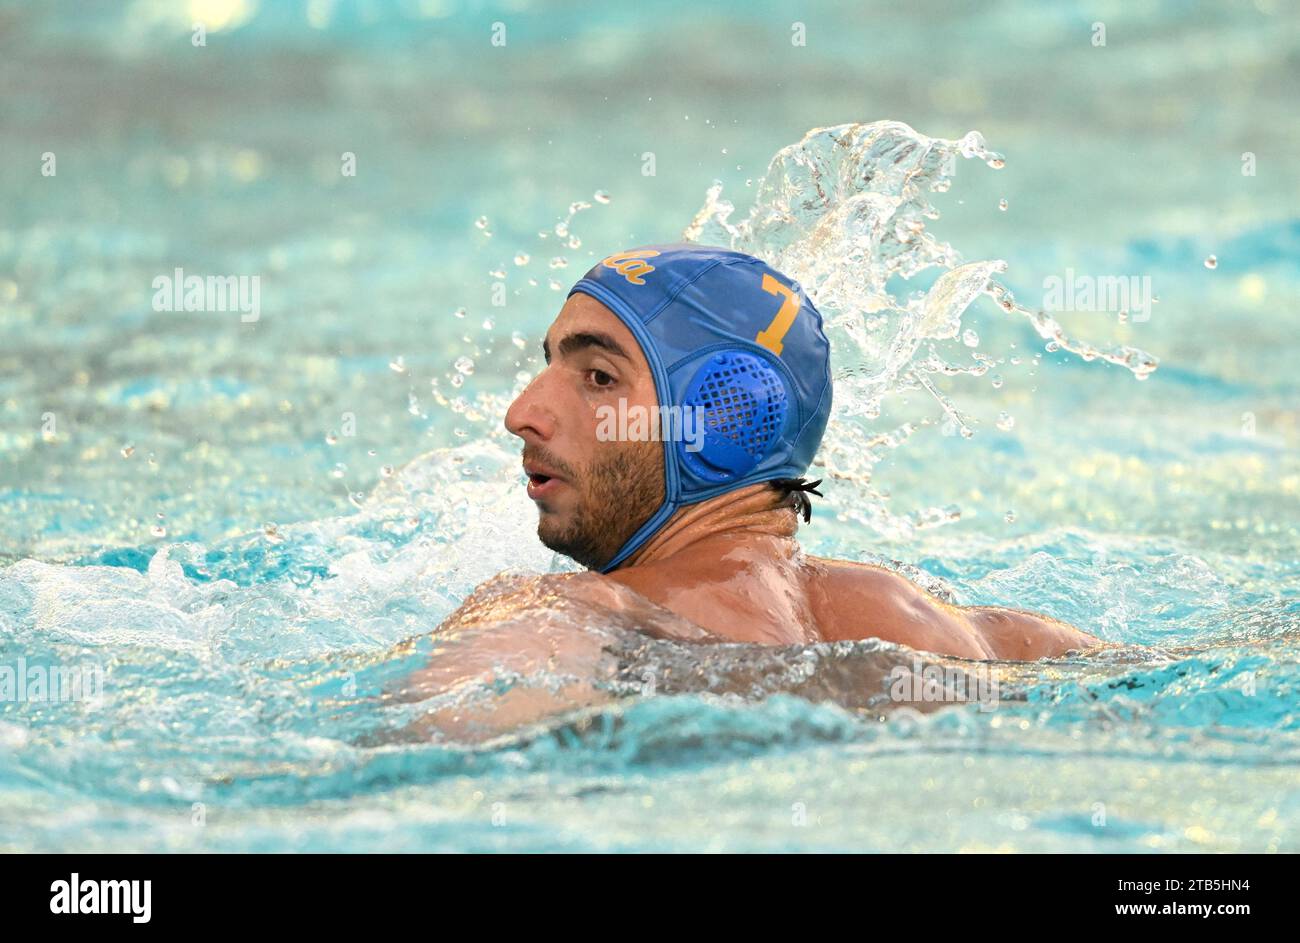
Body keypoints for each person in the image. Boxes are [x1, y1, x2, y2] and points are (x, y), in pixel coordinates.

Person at [403, 244, 1103, 739]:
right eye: (549, 366)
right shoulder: (984, 639)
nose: (522, 411)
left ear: (722, 419)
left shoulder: (559, 617)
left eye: (598, 378)